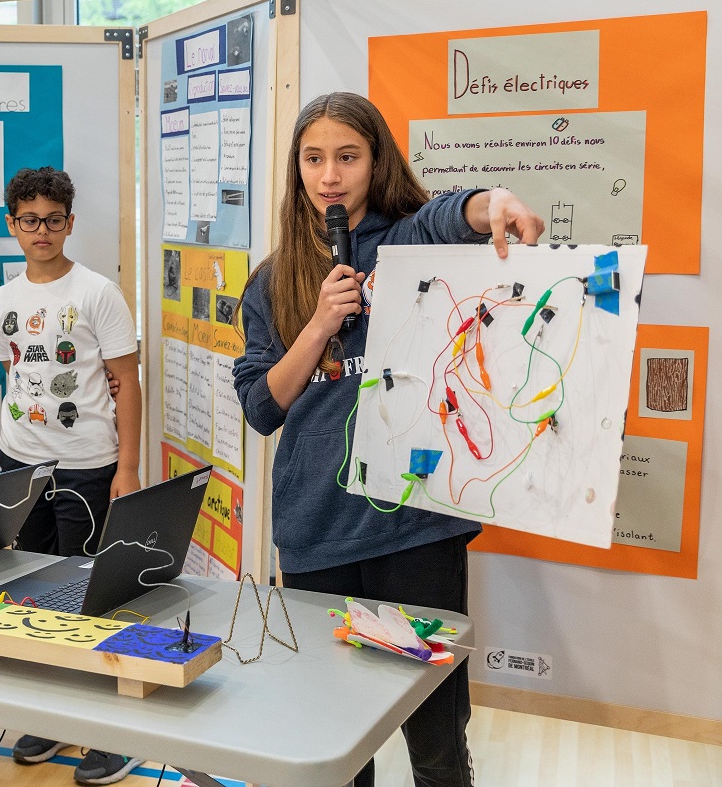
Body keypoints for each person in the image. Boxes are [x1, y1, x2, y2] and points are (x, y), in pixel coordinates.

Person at [233, 92, 545, 787]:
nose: (331, 176)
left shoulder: (409, 242)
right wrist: (317, 325)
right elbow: (260, 407)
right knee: (337, 741)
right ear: (297, 169)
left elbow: (450, 213)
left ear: (377, 161)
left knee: (435, 740)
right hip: (315, 533)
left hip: (414, 529)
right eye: (314, 159)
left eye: (348, 157)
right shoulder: (272, 278)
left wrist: (491, 202)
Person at [0, 166, 144, 787]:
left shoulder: (99, 292)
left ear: (70, 223)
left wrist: (127, 466)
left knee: (90, 594)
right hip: (19, 460)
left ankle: (108, 729)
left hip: (88, 464)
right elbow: (16, 376)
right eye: (30, 220)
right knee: (32, 586)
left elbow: (127, 381)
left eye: (54, 219)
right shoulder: (2, 301)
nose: (42, 230)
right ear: (12, 227)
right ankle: (52, 713)